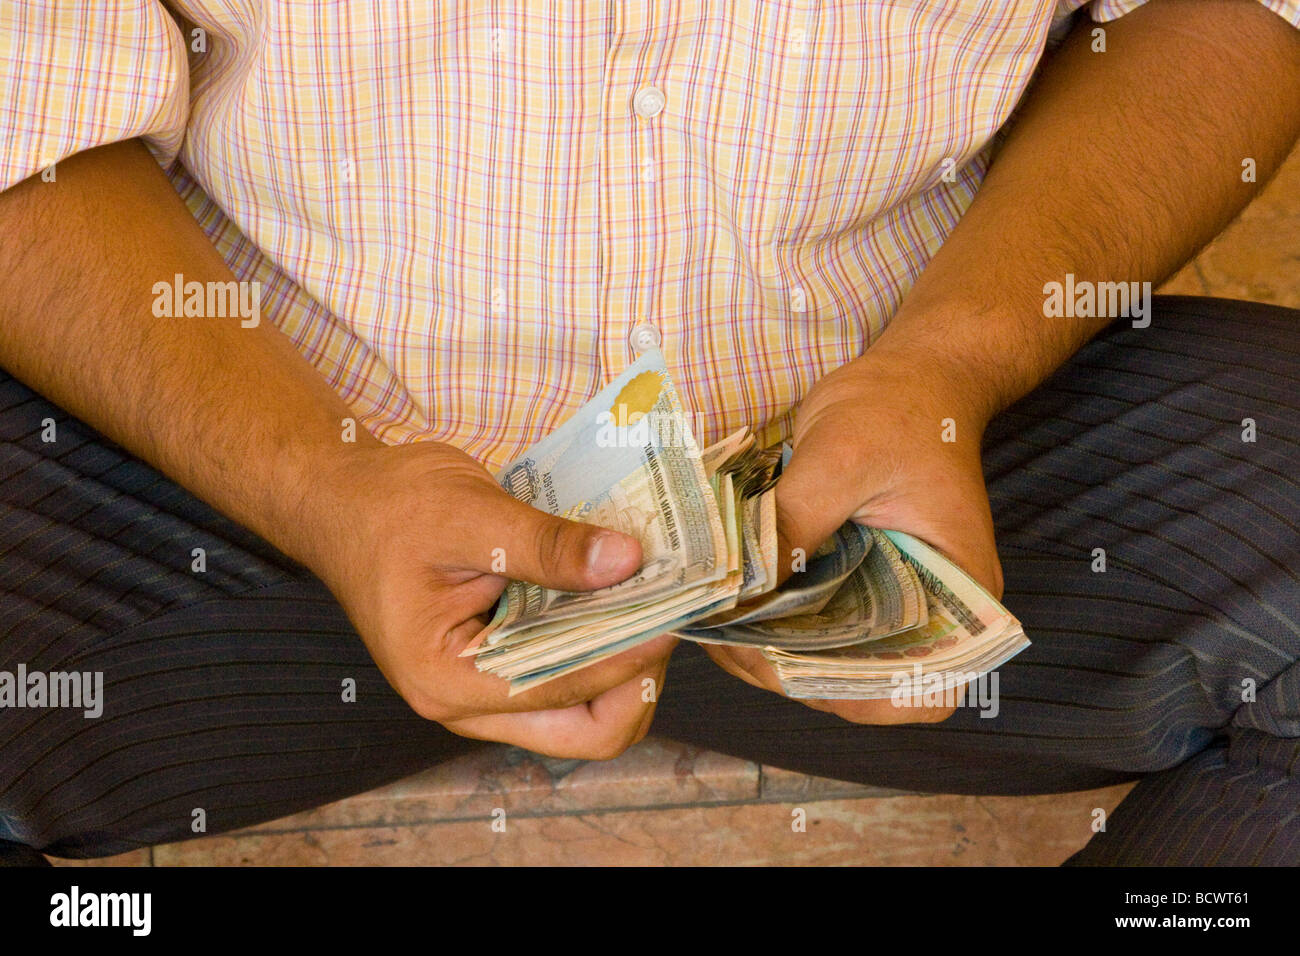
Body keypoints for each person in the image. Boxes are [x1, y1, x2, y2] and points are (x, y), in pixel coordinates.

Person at [1, 0, 1297, 865]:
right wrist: (318, 480)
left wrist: (956, 356)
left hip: (902, 470)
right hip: (243, 460)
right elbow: (25, 98)